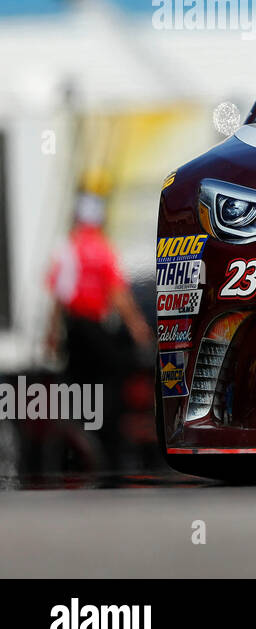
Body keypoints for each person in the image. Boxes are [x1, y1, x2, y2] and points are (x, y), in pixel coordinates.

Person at [45, 193, 152, 470]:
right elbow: (118, 294)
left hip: (74, 330)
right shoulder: (102, 249)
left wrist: (52, 335)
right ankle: (107, 435)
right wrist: (138, 328)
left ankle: (80, 432)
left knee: (77, 382)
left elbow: (59, 297)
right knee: (115, 374)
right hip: (93, 327)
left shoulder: (68, 248)